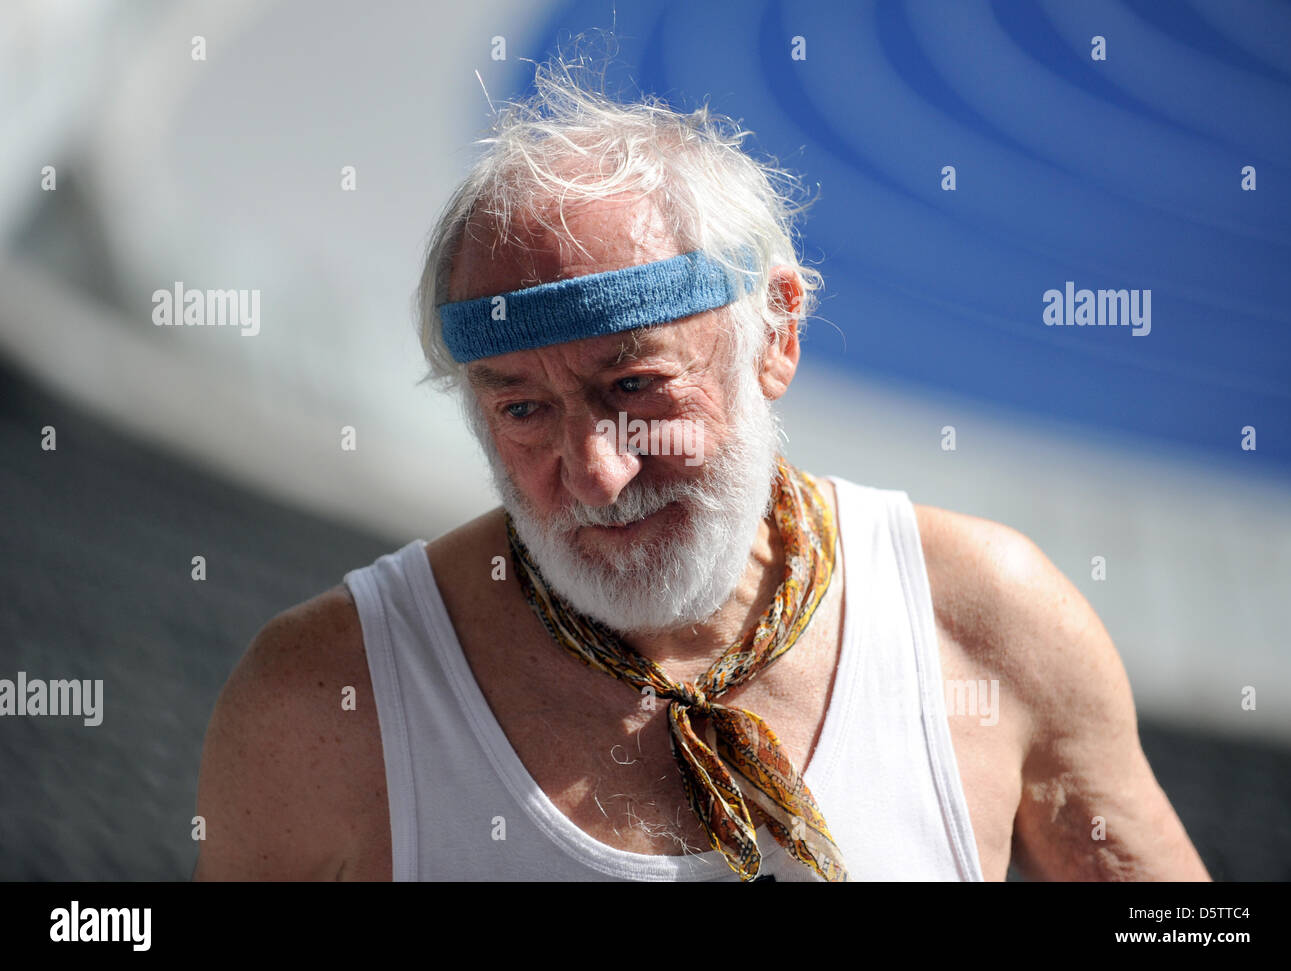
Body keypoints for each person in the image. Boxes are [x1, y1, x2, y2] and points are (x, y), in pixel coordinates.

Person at [193, 60, 1210, 882]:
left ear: (775, 335)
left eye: (634, 386)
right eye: (521, 409)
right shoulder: (329, 695)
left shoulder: (988, 620)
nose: (592, 474)